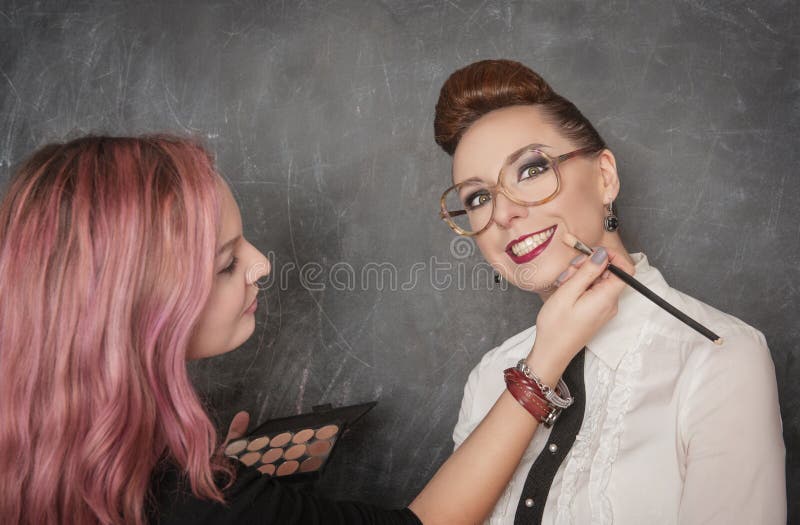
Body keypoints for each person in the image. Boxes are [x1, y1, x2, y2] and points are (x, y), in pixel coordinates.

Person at [0, 135, 633, 524]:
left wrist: (234, 479)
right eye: (226, 263)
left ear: (604, 175)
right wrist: (544, 361)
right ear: (136, 310)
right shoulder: (192, 503)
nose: (262, 264)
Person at [433, 59, 786, 524]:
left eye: (531, 170)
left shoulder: (718, 357)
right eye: (477, 198)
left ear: (605, 177)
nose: (502, 213)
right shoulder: (488, 379)